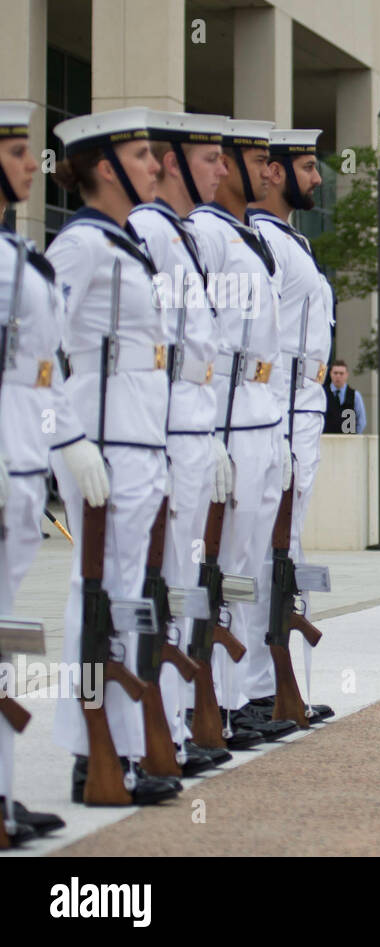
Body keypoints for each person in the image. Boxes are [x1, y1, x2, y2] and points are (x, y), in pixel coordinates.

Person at [45, 106, 180, 804]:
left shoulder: (128, 245)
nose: (159, 165)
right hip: (104, 445)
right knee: (93, 596)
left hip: (140, 442)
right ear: (106, 167)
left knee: (126, 599)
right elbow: (46, 347)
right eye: (144, 154)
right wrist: (67, 439)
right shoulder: (83, 246)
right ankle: (85, 748)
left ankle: (121, 748)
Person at [0, 100, 97, 835]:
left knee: (5, 628)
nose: (33, 165)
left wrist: (66, 441)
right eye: (16, 152)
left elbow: (47, 369)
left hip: (25, 457)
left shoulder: (21, 259)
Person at [127, 110, 233, 772]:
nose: (222, 169)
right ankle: (136, 736)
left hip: (195, 419)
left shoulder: (183, 236)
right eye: (209, 158)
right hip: (162, 423)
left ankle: (166, 726)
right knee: (152, 587)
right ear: (171, 163)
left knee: (182, 582)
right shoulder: (150, 233)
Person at [190, 118, 295, 744]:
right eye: (256, 159)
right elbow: (203, 339)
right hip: (225, 412)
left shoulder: (249, 237)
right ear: (226, 165)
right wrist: (211, 434)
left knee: (244, 567)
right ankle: (207, 706)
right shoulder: (205, 234)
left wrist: (275, 429)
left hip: (259, 409)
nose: (268, 170)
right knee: (214, 567)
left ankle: (231, 702)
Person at [246, 128, 334, 722]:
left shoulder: (289, 240)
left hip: (303, 401)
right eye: (306, 165)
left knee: (286, 543)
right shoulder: (263, 240)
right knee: (263, 547)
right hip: (279, 401)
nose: (318, 177)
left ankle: (277, 687)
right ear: (273, 172)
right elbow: (259, 336)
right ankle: (255, 688)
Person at [324, 360, 366, 434]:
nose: (338, 376)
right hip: (327, 440)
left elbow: (361, 421)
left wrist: (355, 438)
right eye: (335, 373)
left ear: (347, 375)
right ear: (330, 374)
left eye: (341, 373)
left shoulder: (355, 396)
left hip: (349, 441)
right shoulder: (323, 394)